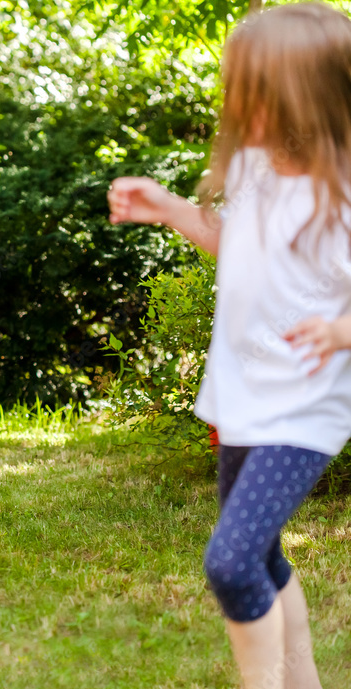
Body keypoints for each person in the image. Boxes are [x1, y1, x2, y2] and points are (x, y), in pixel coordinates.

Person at [108, 4, 351, 687]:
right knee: (266, 559)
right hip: (241, 395)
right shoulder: (253, 167)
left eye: (249, 91)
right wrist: (169, 208)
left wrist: (339, 330)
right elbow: (233, 246)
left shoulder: (342, 195)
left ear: (306, 97)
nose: (234, 105)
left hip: (305, 407)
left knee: (234, 561)